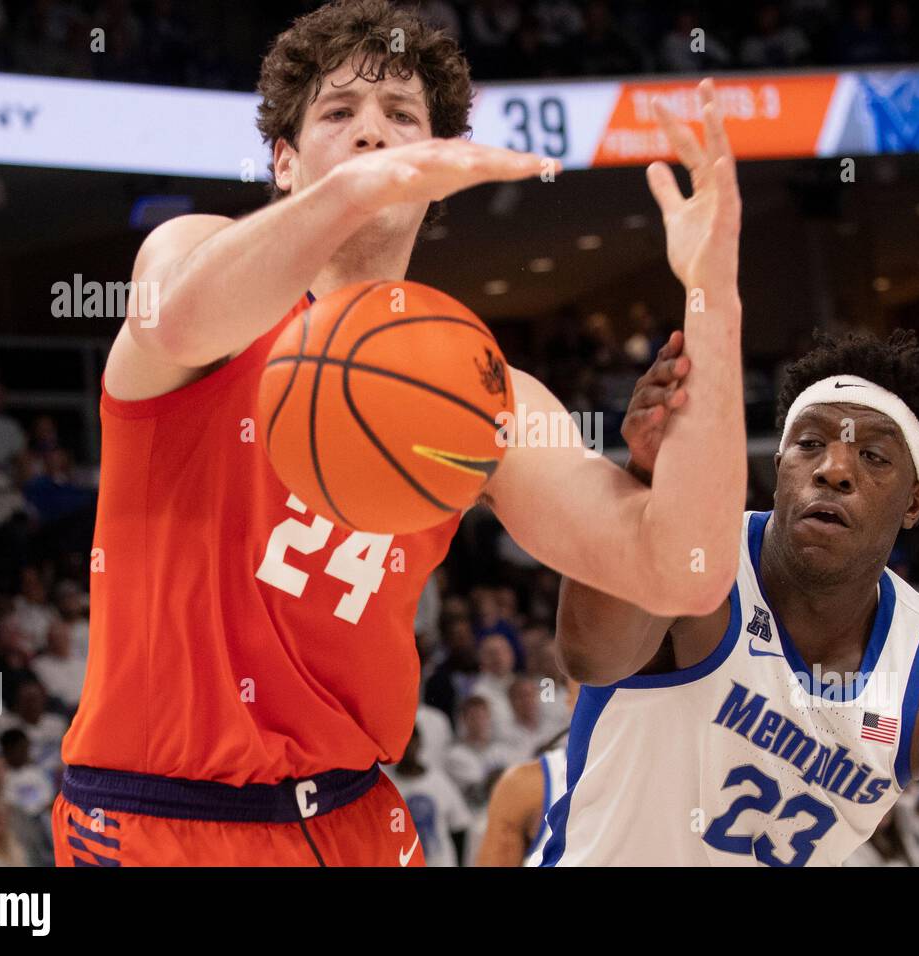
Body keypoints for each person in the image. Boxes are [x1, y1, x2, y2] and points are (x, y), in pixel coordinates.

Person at [52, 0, 745, 866]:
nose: (371, 136)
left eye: (400, 119)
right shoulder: (192, 256)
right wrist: (349, 194)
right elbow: (168, 325)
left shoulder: (485, 387)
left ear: (441, 163)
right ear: (284, 161)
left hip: (357, 816)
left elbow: (681, 568)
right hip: (164, 819)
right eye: (339, 115)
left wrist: (716, 297)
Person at [544, 329, 919, 866]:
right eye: (810, 445)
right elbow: (590, 656)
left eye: (873, 456)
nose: (834, 470)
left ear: (915, 502)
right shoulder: (701, 566)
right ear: (779, 470)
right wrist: (645, 478)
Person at [476, 679, 576, 866]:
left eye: (530, 695)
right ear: (569, 700)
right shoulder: (524, 779)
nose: (526, 701)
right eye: (520, 696)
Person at [382, 728, 471, 867]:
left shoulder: (438, 781)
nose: (408, 747)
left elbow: (459, 826)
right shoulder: (386, 787)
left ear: (420, 743)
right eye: (404, 742)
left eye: (412, 741)